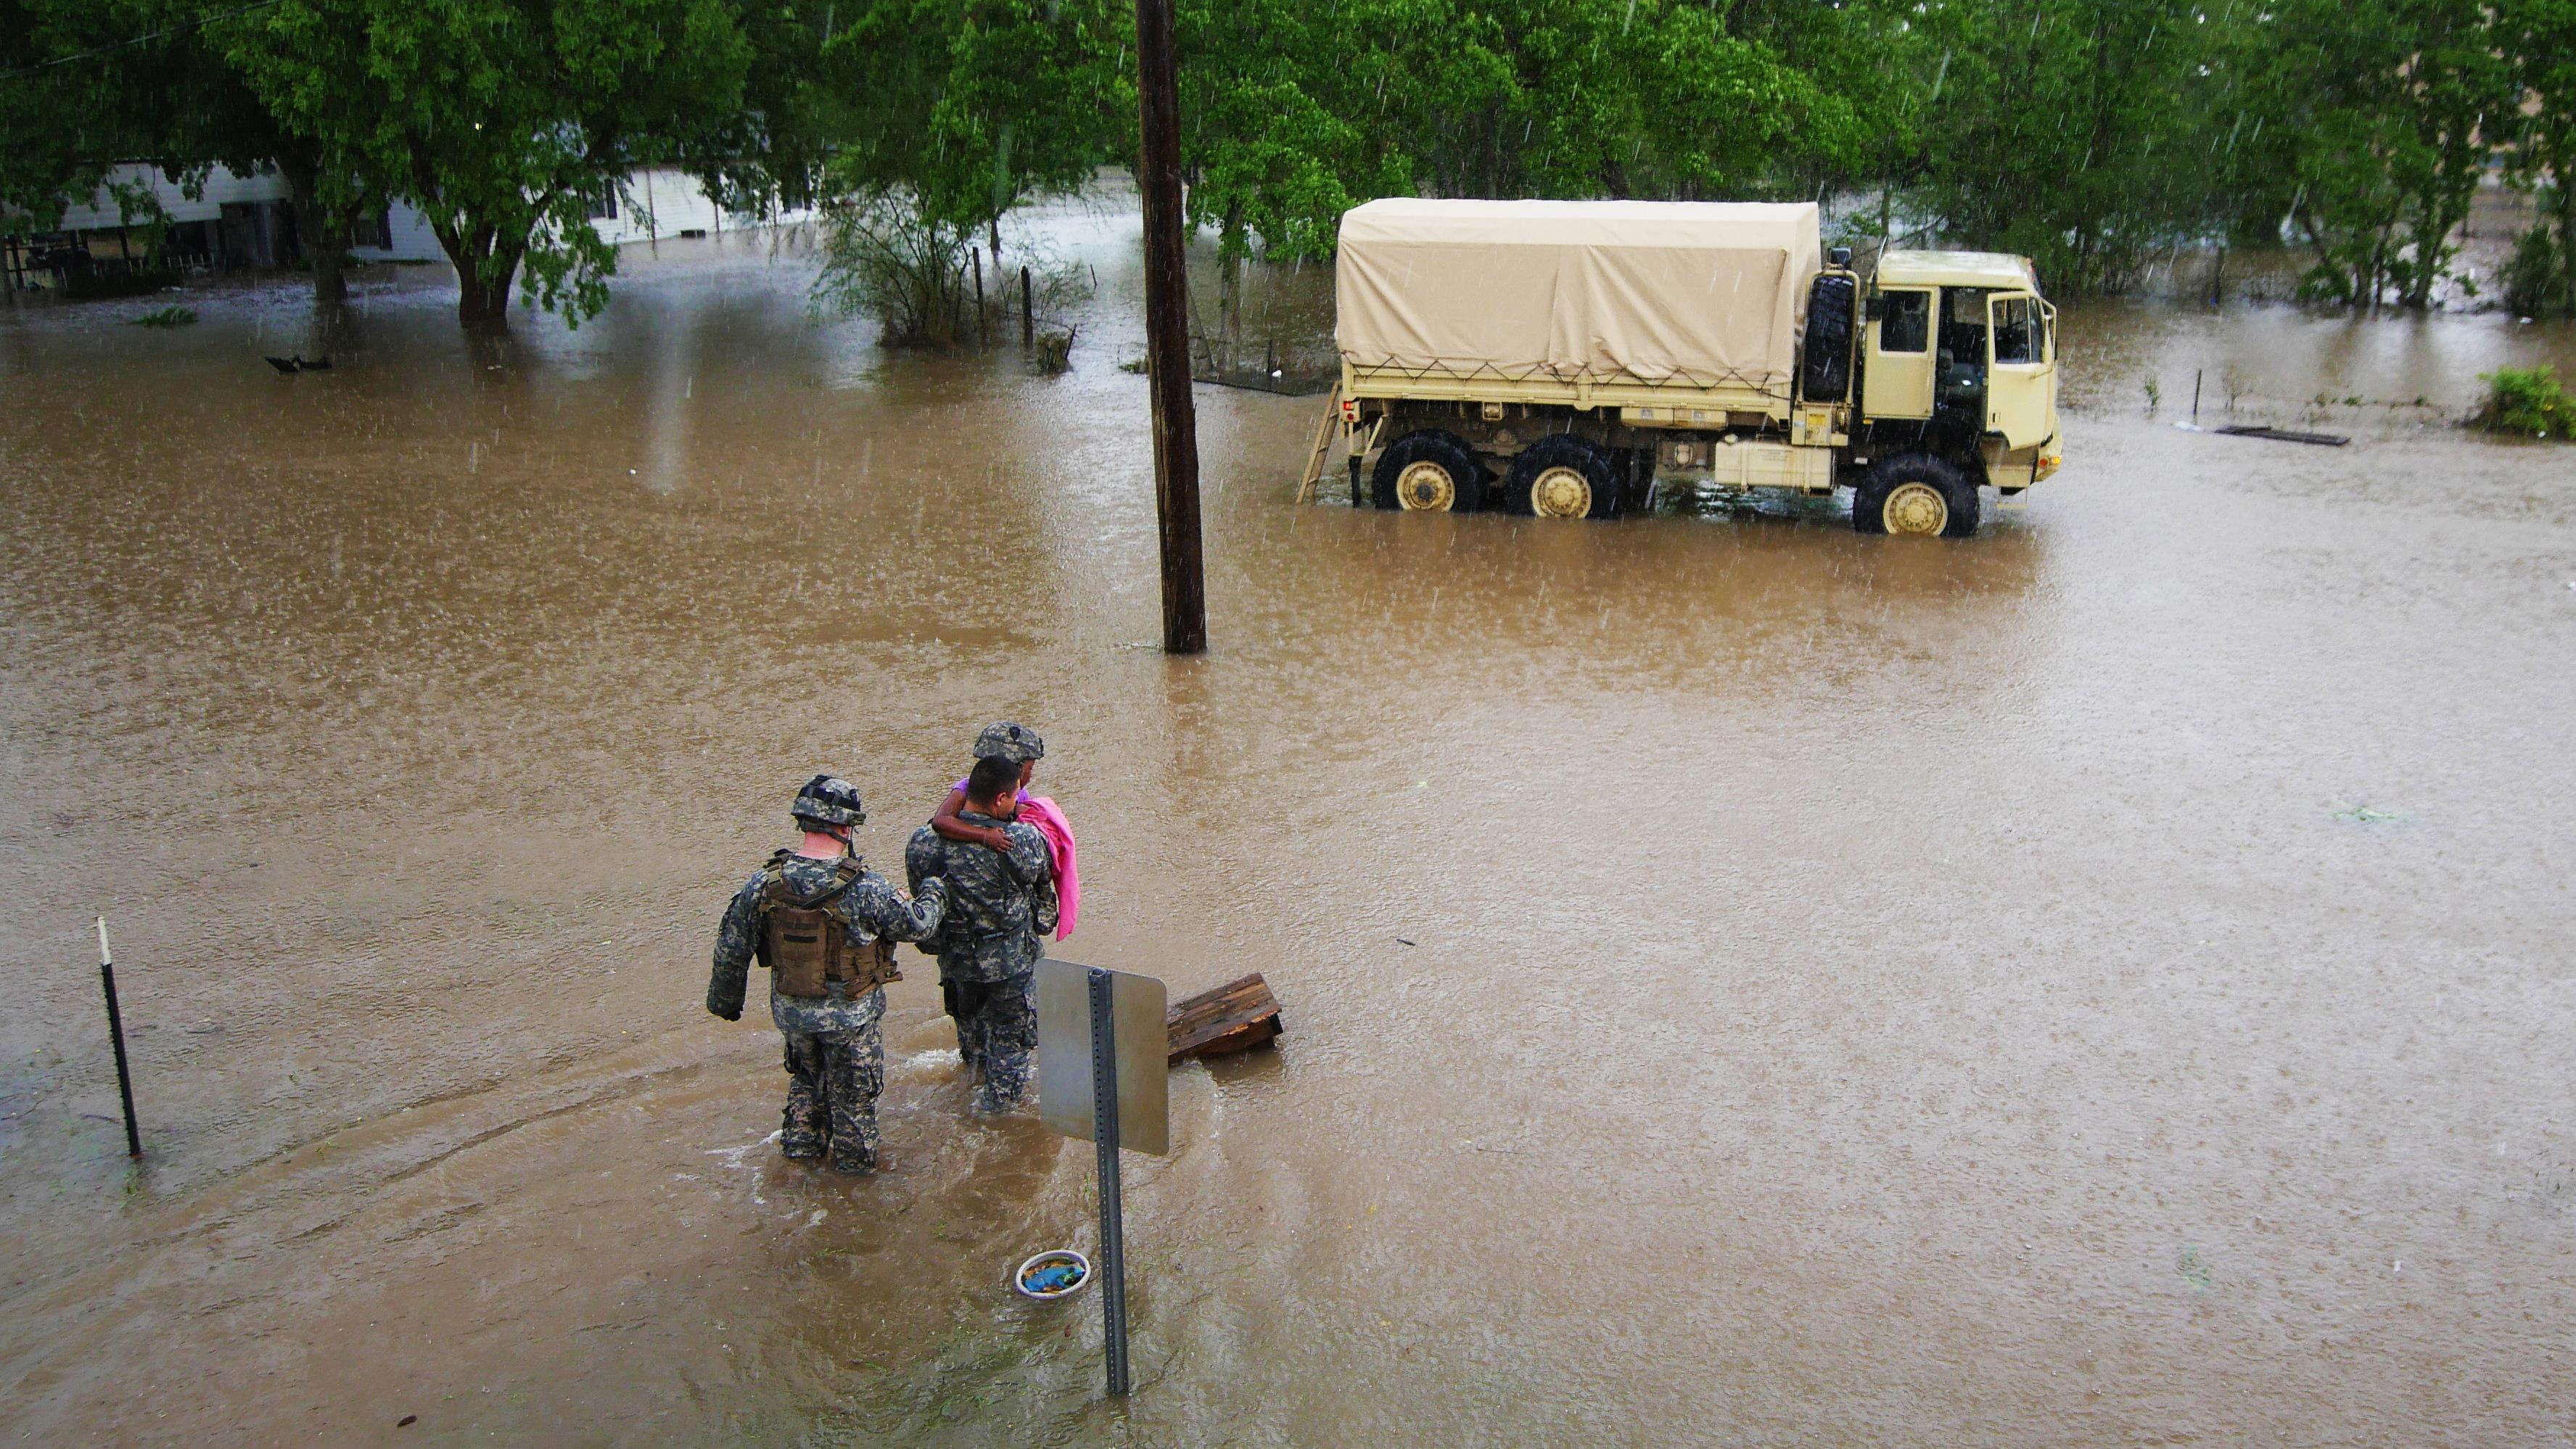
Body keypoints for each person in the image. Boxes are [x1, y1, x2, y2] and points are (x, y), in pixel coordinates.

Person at [707, 774, 946, 1174]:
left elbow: (731, 947)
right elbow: (918, 926)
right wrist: (934, 891)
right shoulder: (867, 887)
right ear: (846, 828)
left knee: (806, 1081)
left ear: (803, 821)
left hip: (793, 1014)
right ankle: (853, 1185)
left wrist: (726, 1004)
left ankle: (798, 1168)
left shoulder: (765, 882)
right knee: (854, 1102)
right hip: (851, 1019)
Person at [907, 754, 1058, 1112]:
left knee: (972, 1046)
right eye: (1015, 797)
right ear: (1000, 799)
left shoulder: (922, 842)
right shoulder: (1022, 840)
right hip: (1011, 968)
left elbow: (924, 906)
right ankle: (998, 1118)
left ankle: (967, 1098)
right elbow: (1045, 910)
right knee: (1011, 1047)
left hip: (957, 964)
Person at [928, 721, 1079, 940]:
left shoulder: (1019, 795)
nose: (1031, 775)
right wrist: (985, 836)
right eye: (1029, 769)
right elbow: (940, 821)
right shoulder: (965, 788)